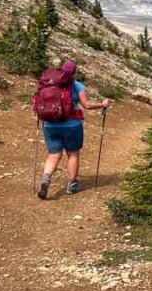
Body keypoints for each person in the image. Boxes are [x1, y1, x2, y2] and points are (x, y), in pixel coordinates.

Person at [37, 60, 109, 200]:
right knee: (73, 154)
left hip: (50, 125)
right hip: (72, 126)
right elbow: (86, 105)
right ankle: (72, 185)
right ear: (74, 72)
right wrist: (102, 104)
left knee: (53, 155)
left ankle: (45, 179)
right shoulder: (76, 85)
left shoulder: (48, 83)